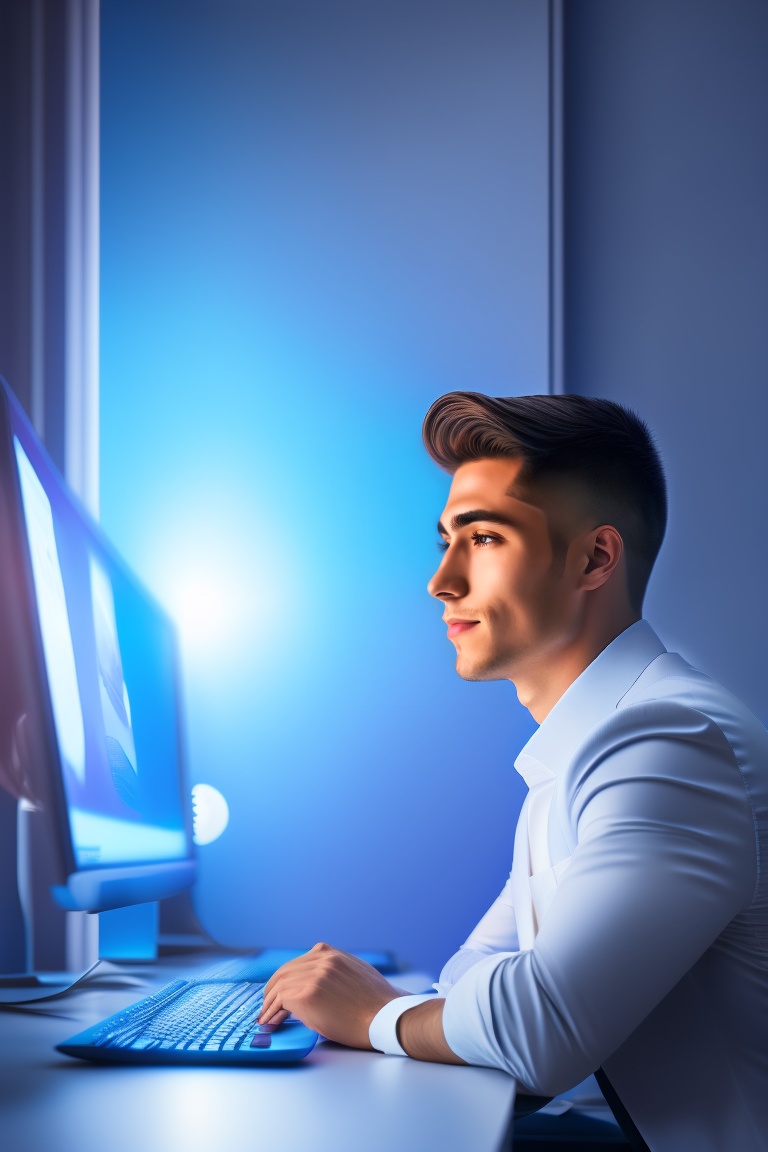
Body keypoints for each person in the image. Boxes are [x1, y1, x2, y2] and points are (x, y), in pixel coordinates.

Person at [258, 393, 768, 1151]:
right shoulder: (584, 747)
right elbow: (481, 970)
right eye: (444, 542)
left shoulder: (665, 741)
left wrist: (375, 1014)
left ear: (594, 558)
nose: (443, 581)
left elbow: (540, 1032)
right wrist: (486, 1009)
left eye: (485, 538)